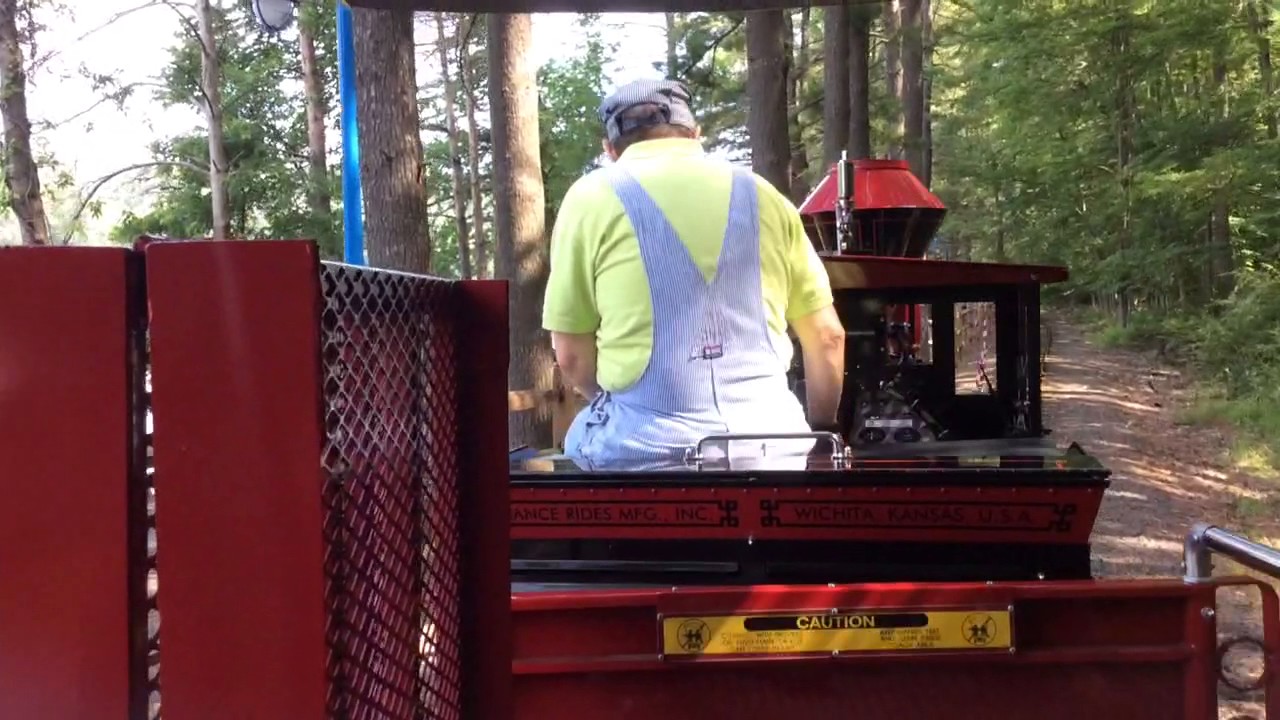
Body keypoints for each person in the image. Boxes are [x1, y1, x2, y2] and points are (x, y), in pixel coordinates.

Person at [542, 78, 845, 469]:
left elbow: (571, 358)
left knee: (579, 437)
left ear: (611, 149)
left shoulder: (590, 197)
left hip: (643, 455)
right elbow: (828, 336)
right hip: (774, 448)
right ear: (696, 135)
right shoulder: (764, 195)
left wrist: (627, 403)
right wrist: (820, 428)